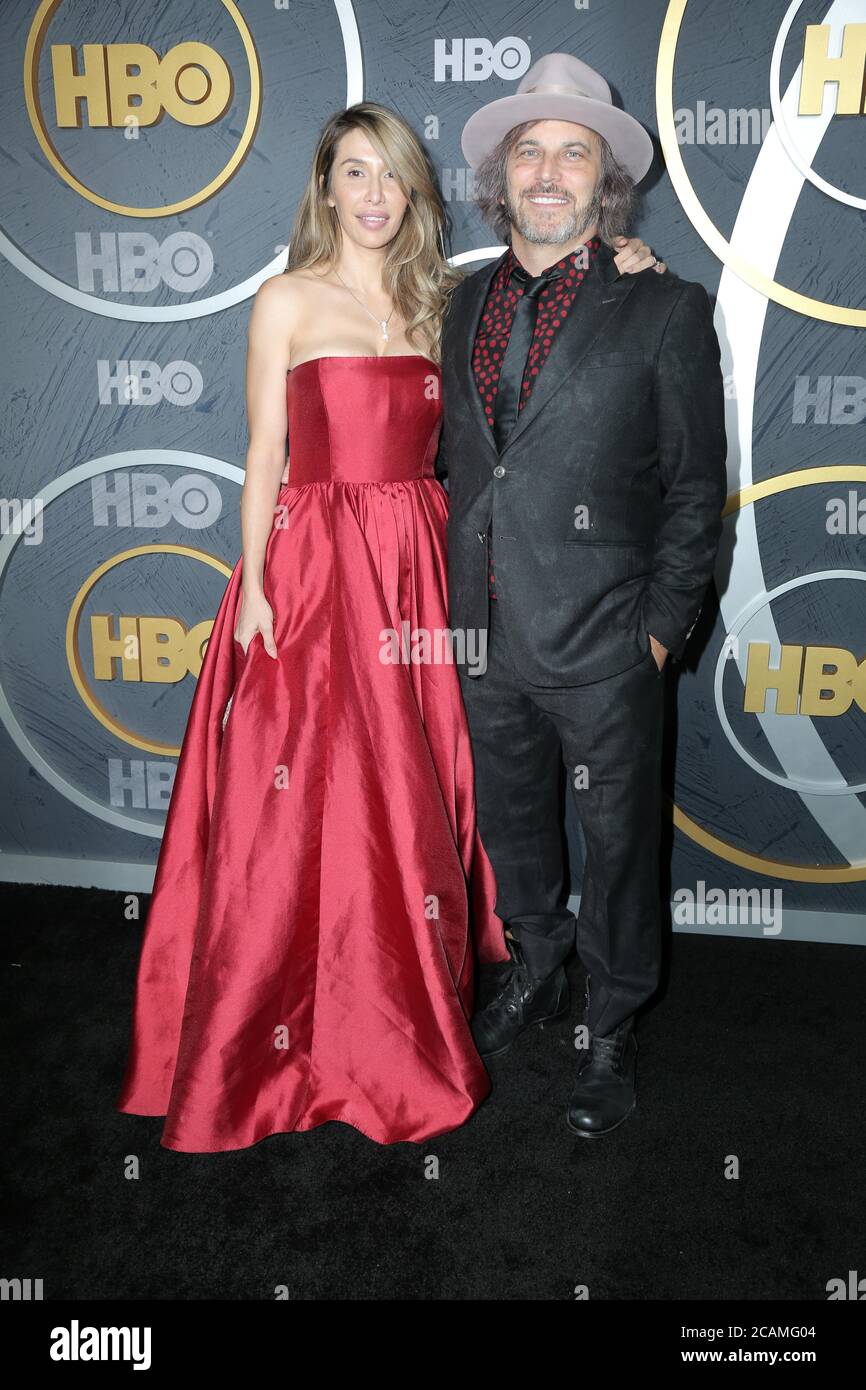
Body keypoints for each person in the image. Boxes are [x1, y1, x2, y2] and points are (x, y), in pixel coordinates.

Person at [116, 100, 661, 1152]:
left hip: (421, 564)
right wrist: (260, 582)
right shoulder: (284, 298)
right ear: (325, 188)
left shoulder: (443, 303)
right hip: (316, 570)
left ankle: (399, 1003)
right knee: (300, 803)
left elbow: (537, 349)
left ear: (412, 193)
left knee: (406, 789)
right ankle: (283, 1031)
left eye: (390, 176)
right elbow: (264, 455)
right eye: (352, 173)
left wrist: (620, 258)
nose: (372, 194)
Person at [437, 54, 728, 1138]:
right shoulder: (459, 298)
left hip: (607, 642)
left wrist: (658, 633)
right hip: (482, 632)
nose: (547, 171)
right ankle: (535, 965)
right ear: (500, 177)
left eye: (572, 152)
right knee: (515, 831)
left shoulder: (662, 307)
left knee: (616, 849)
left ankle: (610, 1025)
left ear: (604, 182)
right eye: (528, 151)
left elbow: (696, 488)